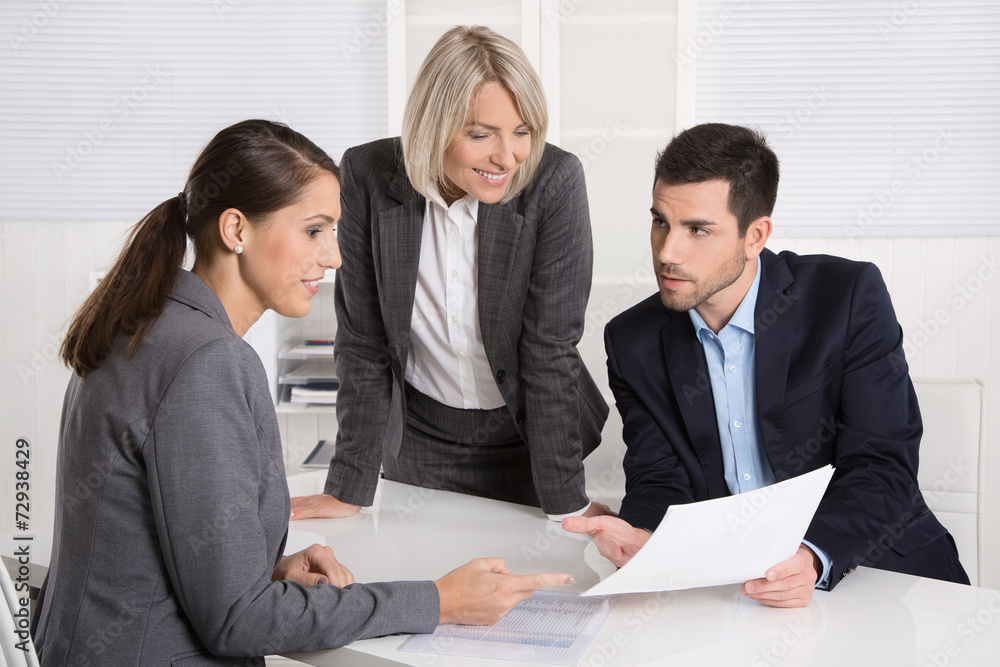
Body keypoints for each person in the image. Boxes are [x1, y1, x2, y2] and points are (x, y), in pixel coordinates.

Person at [33, 119, 573, 666]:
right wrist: (439, 601)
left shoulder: (143, 325)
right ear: (236, 230)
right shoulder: (206, 362)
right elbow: (238, 622)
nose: (334, 256)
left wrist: (264, 571)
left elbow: (151, 549)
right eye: (314, 230)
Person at [563, 123, 969, 608]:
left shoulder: (847, 297)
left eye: (697, 230)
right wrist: (642, 535)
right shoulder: (633, 339)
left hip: (877, 575)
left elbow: (882, 465)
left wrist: (812, 556)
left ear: (755, 235)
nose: (667, 252)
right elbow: (658, 476)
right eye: (660, 221)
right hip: (737, 592)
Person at [291, 26, 610, 522]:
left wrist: (568, 503)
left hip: (526, 439)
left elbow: (550, 351)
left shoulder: (555, 181)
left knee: (534, 588)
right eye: (481, 134)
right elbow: (363, 343)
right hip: (418, 441)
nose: (508, 158)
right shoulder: (367, 174)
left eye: (522, 132)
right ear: (431, 126)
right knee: (423, 586)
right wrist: (349, 484)